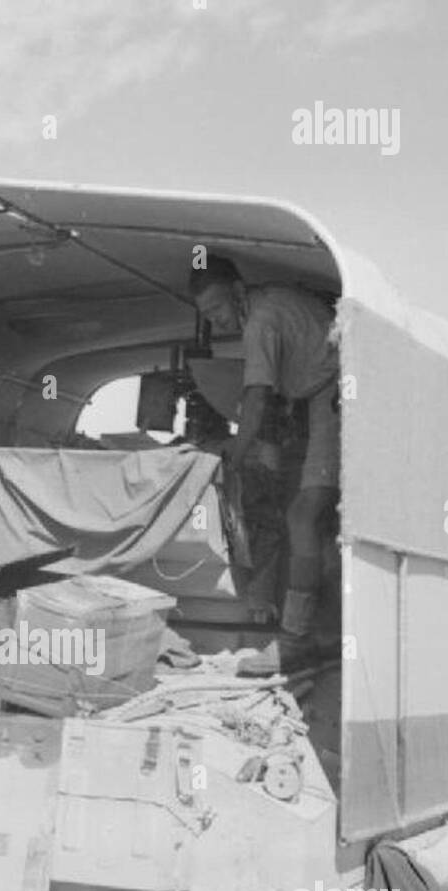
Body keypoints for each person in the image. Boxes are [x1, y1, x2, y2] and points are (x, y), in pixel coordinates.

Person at [189, 255, 340, 669]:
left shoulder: (259, 323)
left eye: (218, 308)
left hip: (336, 395)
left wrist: (233, 459)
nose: (217, 321)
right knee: (316, 524)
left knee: (303, 517)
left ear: (238, 292)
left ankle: (295, 640)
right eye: (207, 314)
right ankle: (327, 634)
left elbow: (256, 399)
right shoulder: (266, 305)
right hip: (319, 396)